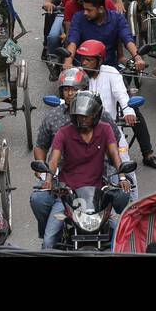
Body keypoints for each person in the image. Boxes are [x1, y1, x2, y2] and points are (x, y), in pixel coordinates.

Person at [32, 91, 131, 249]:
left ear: (95, 115)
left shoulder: (105, 130)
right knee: (49, 241)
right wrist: (48, 181)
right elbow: (54, 160)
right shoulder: (63, 133)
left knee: (122, 235)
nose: (82, 119)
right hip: (67, 197)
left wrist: (123, 177)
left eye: (86, 116)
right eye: (79, 116)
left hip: (98, 196)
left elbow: (115, 154)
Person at [75, 38, 156, 169]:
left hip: (109, 127)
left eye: (89, 60)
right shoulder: (78, 73)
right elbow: (69, 95)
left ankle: (130, 184)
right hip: (81, 126)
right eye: (82, 59)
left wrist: (128, 111)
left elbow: (121, 94)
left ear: (99, 60)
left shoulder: (111, 72)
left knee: (124, 160)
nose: (84, 63)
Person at [66, 0, 145, 73]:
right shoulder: (78, 18)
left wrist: (137, 58)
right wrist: (68, 61)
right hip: (83, 68)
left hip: (109, 68)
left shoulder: (117, 18)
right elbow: (72, 41)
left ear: (101, 9)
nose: (85, 13)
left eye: (89, 10)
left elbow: (127, 39)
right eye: (84, 9)